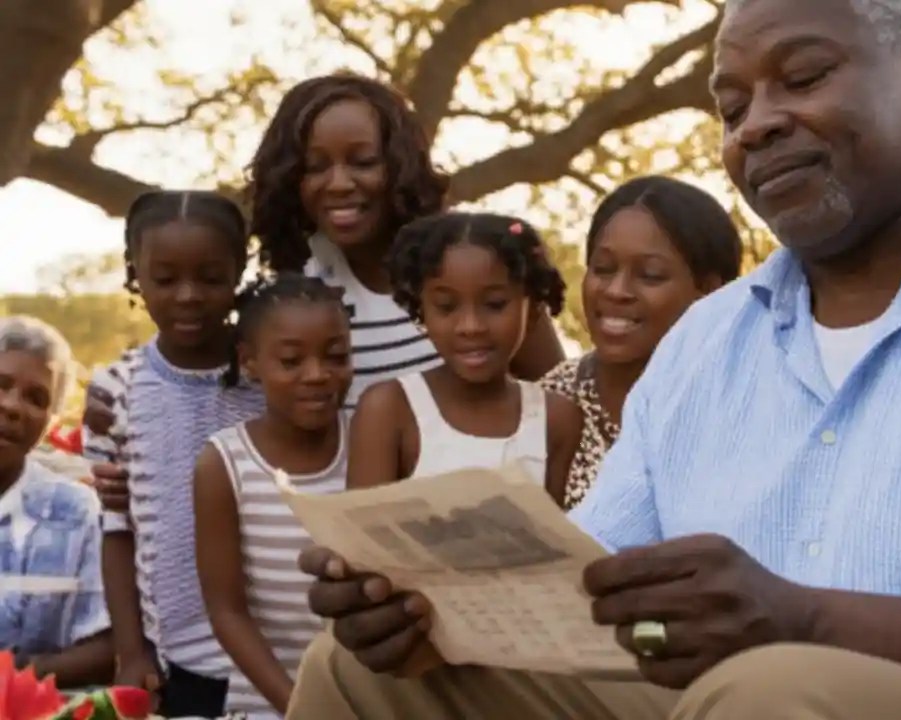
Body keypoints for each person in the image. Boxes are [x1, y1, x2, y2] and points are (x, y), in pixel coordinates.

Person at [289, 0, 901, 717]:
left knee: (768, 690)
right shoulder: (704, 346)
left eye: (802, 76)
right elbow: (595, 587)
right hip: (727, 702)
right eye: (731, 105)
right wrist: (429, 610)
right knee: (362, 674)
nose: (756, 123)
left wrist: (808, 619)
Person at [86, 73, 565, 510]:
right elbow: (230, 397)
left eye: (363, 162)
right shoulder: (299, 286)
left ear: (399, 165)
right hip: (353, 532)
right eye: (314, 167)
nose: (338, 183)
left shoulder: (476, 269)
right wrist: (139, 461)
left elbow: (560, 400)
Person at [84, 190, 264, 718]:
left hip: (279, 644)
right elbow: (117, 529)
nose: (188, 296)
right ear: (134, 275)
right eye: (165, 279)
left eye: (210, 278)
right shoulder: (116, 390)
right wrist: (132, 651)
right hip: (176, 659)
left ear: (239, 272)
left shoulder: (271, 374)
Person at [194, 274, 352, 719]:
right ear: (249, 362)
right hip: (266, 704)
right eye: (291, 361)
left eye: (336, 356)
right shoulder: (224, 464)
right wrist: (301, 708)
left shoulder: (371, 444)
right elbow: (227, 612)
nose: (317, 375)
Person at [348, 212, 582, 506]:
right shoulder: (390, 409)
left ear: (533, 309)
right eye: (446, 306)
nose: (470, 326)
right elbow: (358, 530)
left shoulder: (557, 419)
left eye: (494, 304)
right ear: (421, 309)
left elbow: (559, 529)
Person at [540, 176, 743, 508]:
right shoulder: (546, 407)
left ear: (709, 291)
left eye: (650, 275)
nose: (616, 291)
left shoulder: (748, 403)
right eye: (603, 269)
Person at [0, 316, 113, 689]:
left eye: (36, 398)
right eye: (1, 385)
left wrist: (16, 677)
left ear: (51, 422)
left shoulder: (76, 512)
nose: (12, 406)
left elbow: (106, 647)